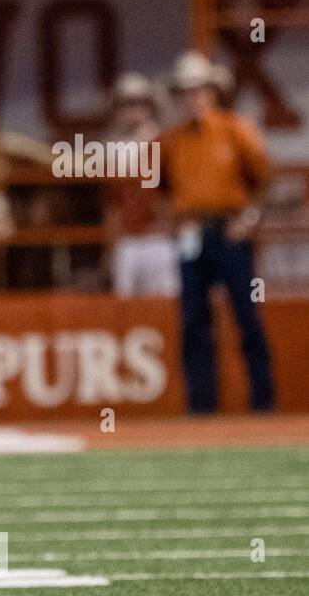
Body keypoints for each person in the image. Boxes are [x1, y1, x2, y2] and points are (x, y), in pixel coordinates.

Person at [159, 51, 274, 413]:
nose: (192, 97)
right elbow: (158, 189)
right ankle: (201, 408)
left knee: (247, 315)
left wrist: (250, 217)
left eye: (198, 90)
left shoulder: (236, 129)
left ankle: (263, 405)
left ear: (211, 91)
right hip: (193, 234)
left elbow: (265, 181)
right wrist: (174, 225)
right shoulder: (169, 141)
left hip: (230, 231)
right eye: (185, 91)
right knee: (193, 322)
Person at [103, 72, 177, 297]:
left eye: (137, 103)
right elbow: (112, 203)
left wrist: (171, 227)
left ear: (149, 106)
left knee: (165, 304)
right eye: (125, 104)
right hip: (127, 242)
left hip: (160, 239)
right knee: (126, 307)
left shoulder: (165, 143)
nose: (131, 111)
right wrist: (110, 245)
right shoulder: (111, 149)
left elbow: (174, 192)